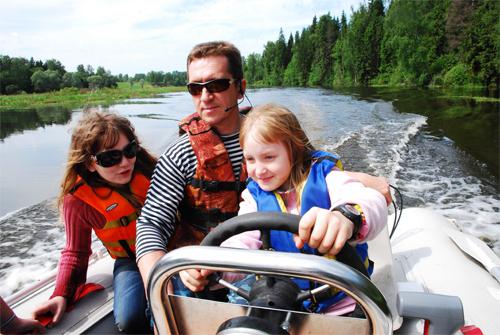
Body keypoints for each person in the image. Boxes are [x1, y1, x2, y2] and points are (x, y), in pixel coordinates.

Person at [135, 41, 391, 294]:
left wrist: (352, 208)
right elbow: (151, 224)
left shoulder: (269, 132)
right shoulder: (180, 155)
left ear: (240, 88)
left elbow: (311, 169)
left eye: (217, 85)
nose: (205, 96)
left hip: (280, 272)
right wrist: (158, 289)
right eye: (195, 88)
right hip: (212, 265)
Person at [183, 103, 387, 315]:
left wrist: (345, 217)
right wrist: (214, 266)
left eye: (269, 157)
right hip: (281, 306)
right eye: (250, 159)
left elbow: (370, 200)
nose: (259, 170)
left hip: (345, 303)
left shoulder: (327, 177)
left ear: (294, 150)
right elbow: (241, 242)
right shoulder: (253, 197)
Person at [32, 111, 156, 333]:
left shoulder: (153, 170)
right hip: (131, 260)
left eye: (129, 150)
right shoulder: (78, 201)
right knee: (129, 318)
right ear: (90, 164)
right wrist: (61, 293)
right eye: (110, 158)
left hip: (173, 246)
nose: (125, 163)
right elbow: (75, 252)